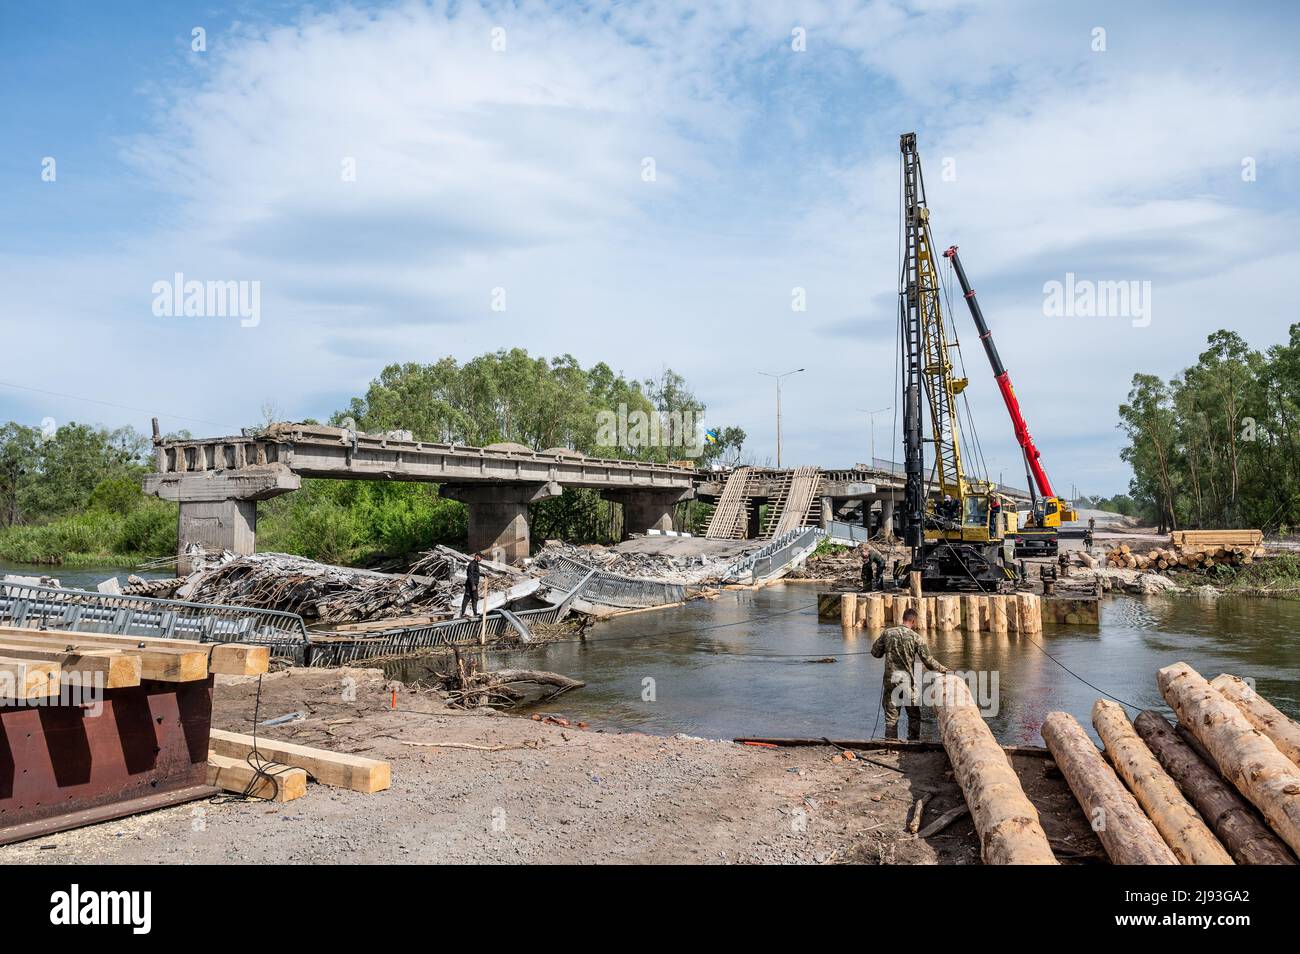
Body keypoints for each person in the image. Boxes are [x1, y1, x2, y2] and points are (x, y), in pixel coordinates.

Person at [870, 607, 950, 740]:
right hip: (907, 683)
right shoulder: (916, 638)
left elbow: (875, 653)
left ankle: (891, 744)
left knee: (891, 716)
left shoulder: (887, 633)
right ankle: (912, 742)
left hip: (891, 682)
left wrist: (887, 649)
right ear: (913, 621)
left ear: (903, 618)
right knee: (914, 715)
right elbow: (929, 662)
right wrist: (943, 669)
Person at [460, 553, 483, 617]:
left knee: (475, 598)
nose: (481, 559)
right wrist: (473, 585)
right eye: (480, 557)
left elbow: (476, 573)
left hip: (474, 584)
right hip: (470, 584)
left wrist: (483, 574)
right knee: (467, 598)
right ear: (476, 556)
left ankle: (475, 613)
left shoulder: (476, 564)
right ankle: (463, 613)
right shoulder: (472, 564)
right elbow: (470, 575)